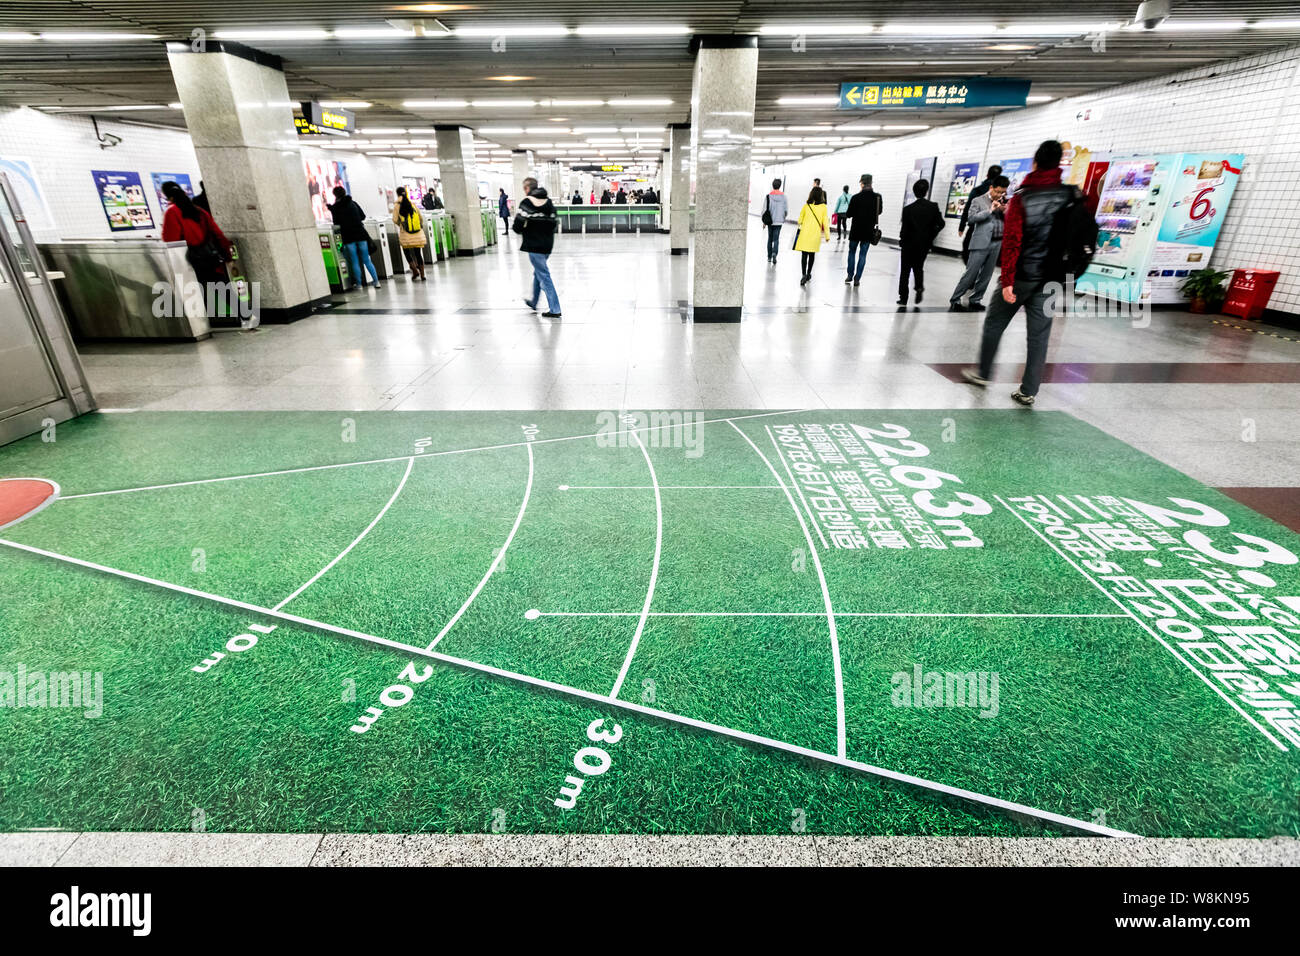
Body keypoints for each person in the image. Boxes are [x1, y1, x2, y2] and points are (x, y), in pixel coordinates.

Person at [963, 141, 1075, 407]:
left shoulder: (1024, 197)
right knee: (1039, 334)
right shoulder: (1071, 196)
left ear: (1035, 162)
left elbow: (1012, 242)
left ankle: (983, 372)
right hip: (1052, 278)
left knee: (994, 322)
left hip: (1023, 275)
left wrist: (1008, 280)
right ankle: (1029, 390)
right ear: (1059, 164)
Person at [160, 179, 231, 301]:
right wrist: (227, 255)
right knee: (222, 289)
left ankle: (208, 319)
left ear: (170, 198)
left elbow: (171, 241)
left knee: (197, 296)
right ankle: (245, 315)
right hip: (209, 258)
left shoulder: (171, 212)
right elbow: (218, 233)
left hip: (190, 262)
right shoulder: (200, 211)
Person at [948, 175, 1008, 311]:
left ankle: (975, 299)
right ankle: (955, 299)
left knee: (986, 275)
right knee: (971, 273)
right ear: (991, 187)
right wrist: (990, 210)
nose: (999, 195)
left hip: (997, 242)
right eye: (997, 191)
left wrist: (1005, 211)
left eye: (1002, 192)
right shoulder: (978, 200)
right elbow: (971, 219)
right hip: (980, 242)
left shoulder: (1003, 202)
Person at [514, 176, 561, 318]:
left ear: (527, 188)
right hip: (547, 245)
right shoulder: (549, 202)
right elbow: (554, 223)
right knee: (539, 272)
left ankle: (555, 308)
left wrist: (527, 230)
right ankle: (534, 302)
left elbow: (518, 224)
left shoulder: (527, 203)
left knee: (544, 275)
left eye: (524, 188)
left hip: (534, 245)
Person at [897, 179, 944, 306]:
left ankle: (903, 297)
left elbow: (904, 228)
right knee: (918, 267)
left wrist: (902, 240)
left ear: (914, 192)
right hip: (923, 244)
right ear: (926, 191)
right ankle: (919, 287)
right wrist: (931, 236)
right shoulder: (933, 207)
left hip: (908, 244)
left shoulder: (908, 209)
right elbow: (941, 223)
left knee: (905, 270)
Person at [328, 185, 381, 291]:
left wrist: (332, 209)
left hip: (348, 238)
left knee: (354, 261)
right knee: (367, 260)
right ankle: (376, 282)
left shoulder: (336, 208)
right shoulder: (353, 203)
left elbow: (336, 223)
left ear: (335, 195)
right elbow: (363, 216)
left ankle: (359, 284)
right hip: (360, 235)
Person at [843, 174, 882, 287]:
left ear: (862, 183)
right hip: (868, 230)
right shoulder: (877, 197)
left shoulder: (856, 198)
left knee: (852, 252)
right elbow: (879, 212)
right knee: (863, 255)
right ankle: (857, 279)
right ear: (871, 183)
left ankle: (850, 275)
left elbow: (849, 214)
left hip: (856, 230)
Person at [959, 164, 1002, 263]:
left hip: (975, 229)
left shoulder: (977, 190)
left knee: (969, 258)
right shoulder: (1001, 194)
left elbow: (967, 209)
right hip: (992, 231)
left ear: (987, 175)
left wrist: (961, 227)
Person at [794, 186, 829, 286]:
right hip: (815, 235)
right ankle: (809, 273)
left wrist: (803, 221)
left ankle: (803, 274)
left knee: (804, 255)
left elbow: (799, 220)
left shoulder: (806, 206)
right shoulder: (823, 207)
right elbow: (825, 222)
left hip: (805, 234)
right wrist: (827, 235)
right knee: (812, 255)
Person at [391, 186, 427, 281]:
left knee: (407, 253)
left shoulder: (397, 205)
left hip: (405, 234)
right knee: (418, 253)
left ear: (397, 194)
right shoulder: (412, 203)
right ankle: (423, 275)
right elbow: (420, 217)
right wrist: (419, 226)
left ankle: (415, 271)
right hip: (417, 232)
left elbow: (395, 219)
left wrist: (402, 225)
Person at [762, 178, 788, 265]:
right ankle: (774, 254)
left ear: (773, 185)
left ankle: (769, 257)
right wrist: (783, 217)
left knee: (770, 238)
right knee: (776, 239)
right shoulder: (784, 197)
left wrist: (764, 222)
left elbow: (764, 209)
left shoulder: (768, 196)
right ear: (780, 186)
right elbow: (786, 210)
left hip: (770, 221)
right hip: (779, 221)